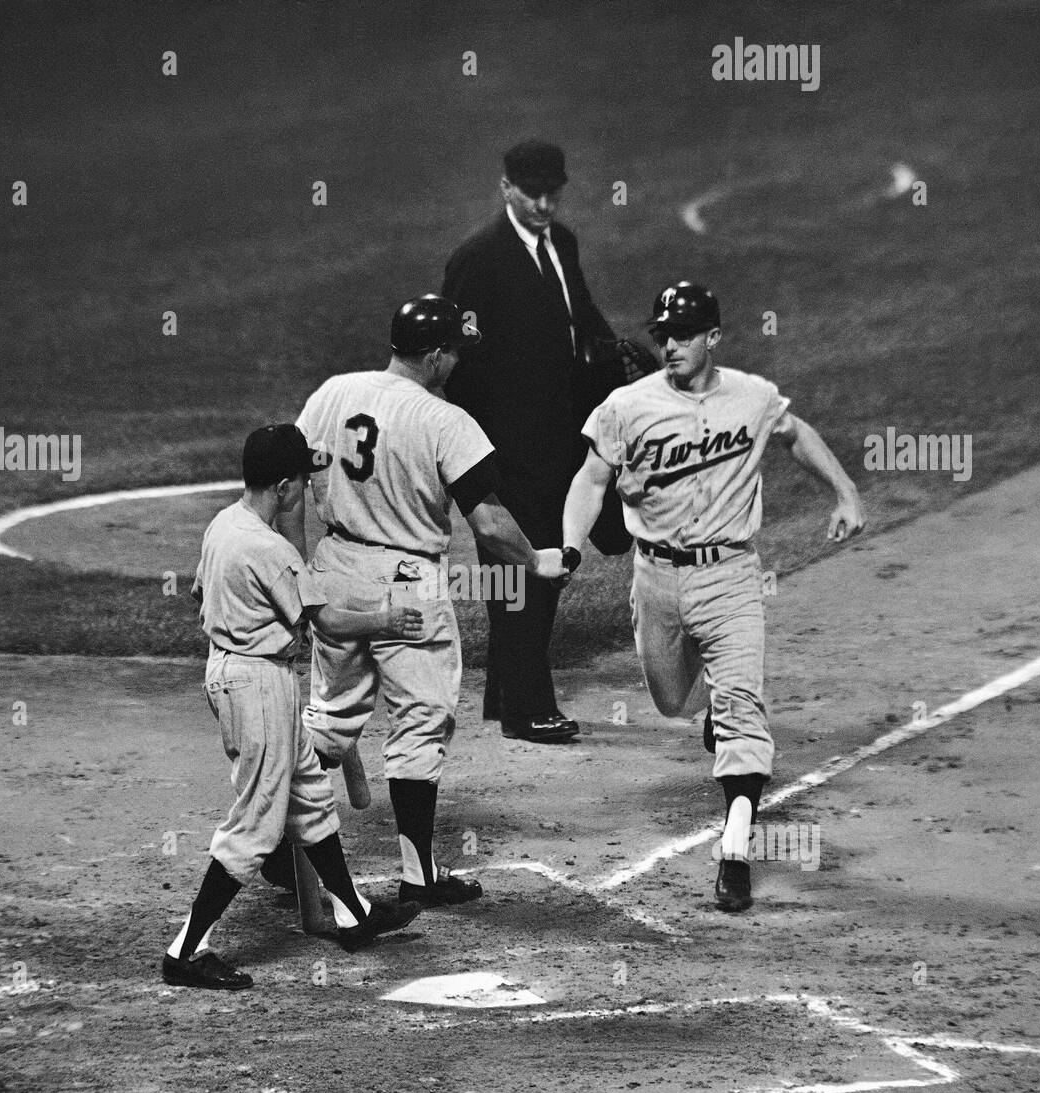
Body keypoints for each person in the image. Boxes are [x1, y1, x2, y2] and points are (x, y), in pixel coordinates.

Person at [560, 281, 867, 913]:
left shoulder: (751, 397)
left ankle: (734, 851)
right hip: (656, 579)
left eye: (682, 335)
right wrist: (569, 547)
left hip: (730, 575)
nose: (669, 345)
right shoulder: (626, 405)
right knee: (671, 698)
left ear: (713, 339)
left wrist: (846, 492)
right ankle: (714, 710)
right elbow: (590, 479)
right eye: (662, 335)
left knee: (741, 709)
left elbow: (795, 432)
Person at [264, 295, 568, 908]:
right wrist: (538, 562)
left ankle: (277, 845)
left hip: (337, 568)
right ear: (433, 355)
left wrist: (301, 582)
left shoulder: (332, 394)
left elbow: (291, 493)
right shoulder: (445, 420)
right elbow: (489, 522)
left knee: (330, 715)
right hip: (409, 582)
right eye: (454, 351)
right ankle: (417, 875)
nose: (458, 362)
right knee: (419, 725)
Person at [162, 426, 424, 990]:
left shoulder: (224, 526)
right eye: (302, 480)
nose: (306, 487)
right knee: (256, 823)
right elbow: (324, 622)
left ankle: (353, 912)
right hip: (256, 683)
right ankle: (186, 950)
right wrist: (385, 620)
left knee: (308, 791)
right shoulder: (270, 548)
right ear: (282, 487)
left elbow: (200, 596)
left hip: (239, 672)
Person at [442, 139, 616, 742]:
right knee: (521, 573)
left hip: (561, 442)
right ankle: (527, 708)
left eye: (553, 194)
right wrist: (480, 454)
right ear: (506, 187)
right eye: (532, 193)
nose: (544, 205)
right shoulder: (479, 259)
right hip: (506, 452)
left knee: (550, 567)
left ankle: (504, 694)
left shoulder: (562, 243)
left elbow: (581, 316)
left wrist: (611, 353)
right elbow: (458, 365)